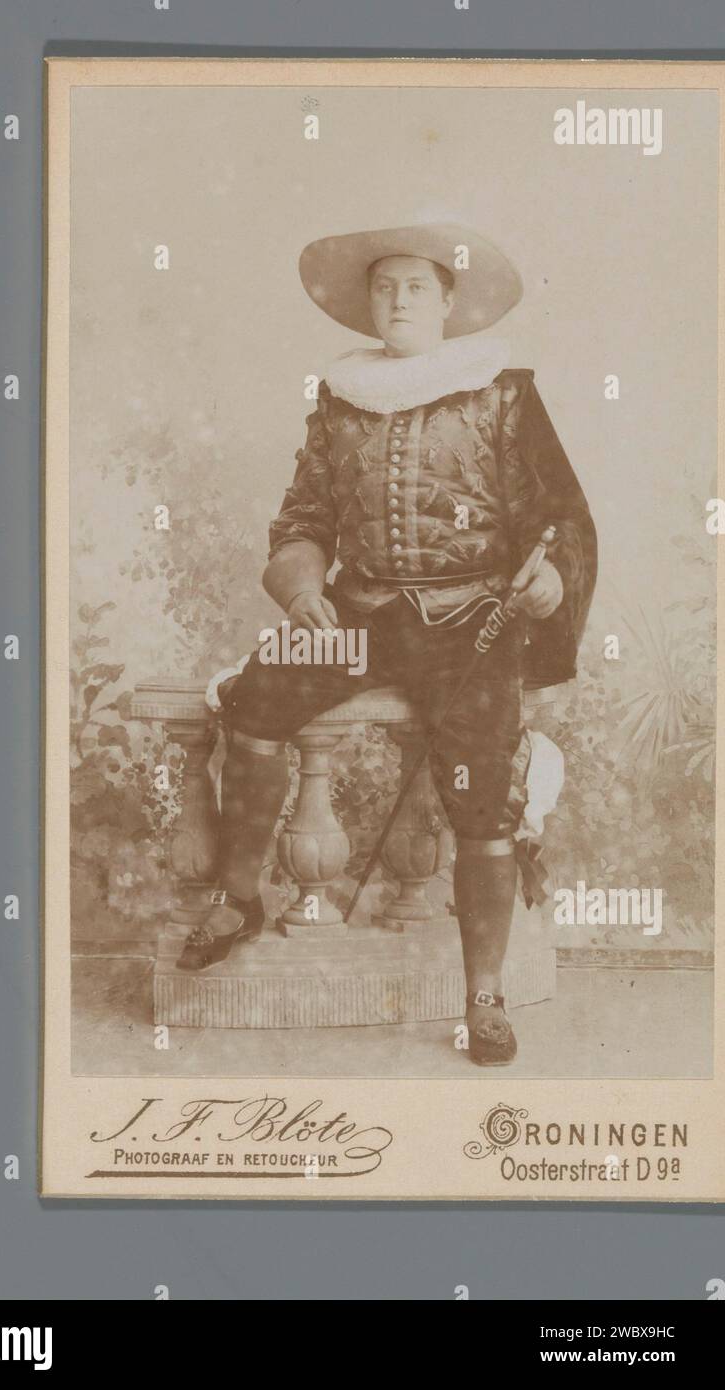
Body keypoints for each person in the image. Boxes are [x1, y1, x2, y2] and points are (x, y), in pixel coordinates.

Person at [177, 221, 597, 1066]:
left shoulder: (503, 391)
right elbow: (303, 520)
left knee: (480, 799)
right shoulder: (340, 400)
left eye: (416, 286)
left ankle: (484, 995)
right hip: (357, 617)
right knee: (255, 703)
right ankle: (239, 896)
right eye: (384, 287)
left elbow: (559, 518)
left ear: (448, 301)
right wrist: (301, 590)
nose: (399, 299)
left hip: (469, 625)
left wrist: (549, 581)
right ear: (369, 303)